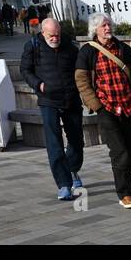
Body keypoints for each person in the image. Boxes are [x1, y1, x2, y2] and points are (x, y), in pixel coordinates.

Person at [75, 14, 131, 210]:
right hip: (106, 109)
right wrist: (96, 105)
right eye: (103, 26)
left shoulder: (123, 49)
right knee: (120, 152)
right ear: (95, 30)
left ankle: (124, 178)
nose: (107, 28)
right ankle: (125, 194)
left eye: (108, 24)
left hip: (129, 106)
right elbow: (82, 81)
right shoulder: (88, 52)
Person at [21, 18, 85, 201]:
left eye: (57, 34)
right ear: (43, 33)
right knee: (54, 143)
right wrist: (38, 85)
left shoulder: (71, 47)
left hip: (71, 99)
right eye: (51, 35)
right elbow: (25, 70)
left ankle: (72, 168)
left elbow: (80, 71)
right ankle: (64, 184)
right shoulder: (33, 46)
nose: (55, 38)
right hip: (48, 100)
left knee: (77, 142)